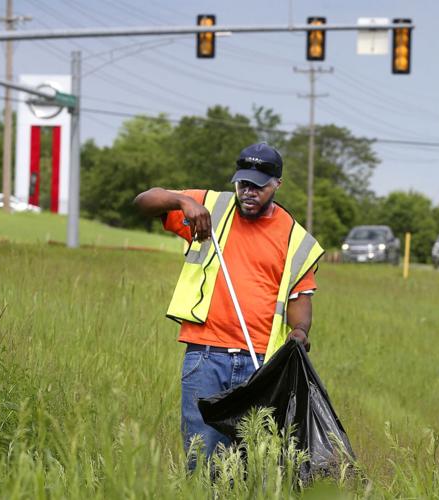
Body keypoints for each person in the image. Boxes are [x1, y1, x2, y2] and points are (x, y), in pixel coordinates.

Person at [133, 142, 324, 468]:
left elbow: (300, 298)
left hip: (261, 364)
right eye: (243, 183)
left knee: (251, 464)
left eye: (258, 186)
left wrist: (300, 331)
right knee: (202, 460)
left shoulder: (295, 238)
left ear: (277, 184)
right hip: (205, 358)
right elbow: (142, 203)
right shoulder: (208, 207)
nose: (248, 192)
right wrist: (182, 201)